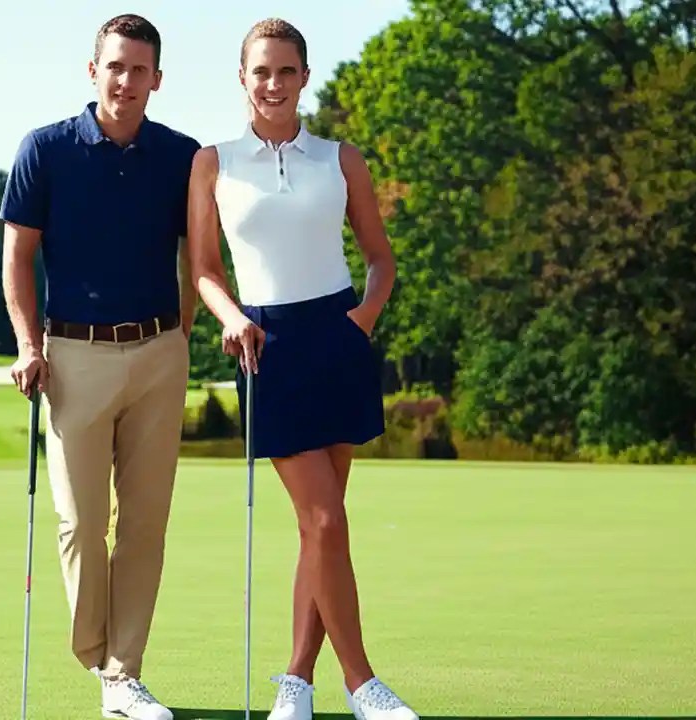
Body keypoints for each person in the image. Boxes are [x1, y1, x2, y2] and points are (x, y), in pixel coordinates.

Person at [187, 17, 420, 720]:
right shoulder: (212, 163)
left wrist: (362, 321)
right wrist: (231, 317)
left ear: (304, 77)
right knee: (323, 518)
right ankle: (362, 684)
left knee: (322, 528)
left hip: (338, 337)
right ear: (242, 78)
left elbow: (380, 259)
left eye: (286, 71)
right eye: (261, 71)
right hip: (265, 345)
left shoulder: (341, 159)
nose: (273, 84)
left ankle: (296, 681)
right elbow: (204, 270)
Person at [0, 13, 200, 720]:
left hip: (158, 353)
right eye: (115, 66)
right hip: (73, 356)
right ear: (94, 71)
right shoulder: (45, 149)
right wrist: (29, 346)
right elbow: (17, 257)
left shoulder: (183, 156)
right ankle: (96, 653)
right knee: (82, 524)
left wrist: (182, 333)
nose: (126, 80)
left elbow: (198, 256)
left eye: (140, 69)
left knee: (145, 524)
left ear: (157, 79)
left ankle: (124, 672)